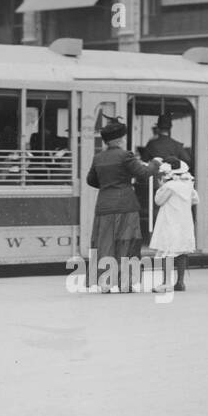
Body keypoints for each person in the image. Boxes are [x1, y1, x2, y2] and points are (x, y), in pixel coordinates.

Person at [86, 115, 162, 293]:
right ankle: (125, 283)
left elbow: (91, 180)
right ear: (120, 138)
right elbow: (144, 173)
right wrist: (155, 163)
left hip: (104, 205)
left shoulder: (98, 158)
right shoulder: (125, 155)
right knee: (127, 243)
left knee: (105, 243)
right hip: (126, 206)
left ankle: (104, 282)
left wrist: (108, 185)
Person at [139, 113, 192, 237]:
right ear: (170, 128)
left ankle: (157, 236)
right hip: (174, 182)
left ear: (158, 128)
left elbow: (144, 161)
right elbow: (188, 160)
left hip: (156, 182)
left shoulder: (152, 145)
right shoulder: (177, 145)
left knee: (157, 209)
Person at [149, 160, 198, 292]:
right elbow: (195, 199)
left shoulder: (169, 186)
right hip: (184, 221)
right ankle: (180, 282)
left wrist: (160, 186)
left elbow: (158, 200)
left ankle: (166, 282)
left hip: (170, 220)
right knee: (181, 251)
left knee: (167, 250)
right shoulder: (188, 184)